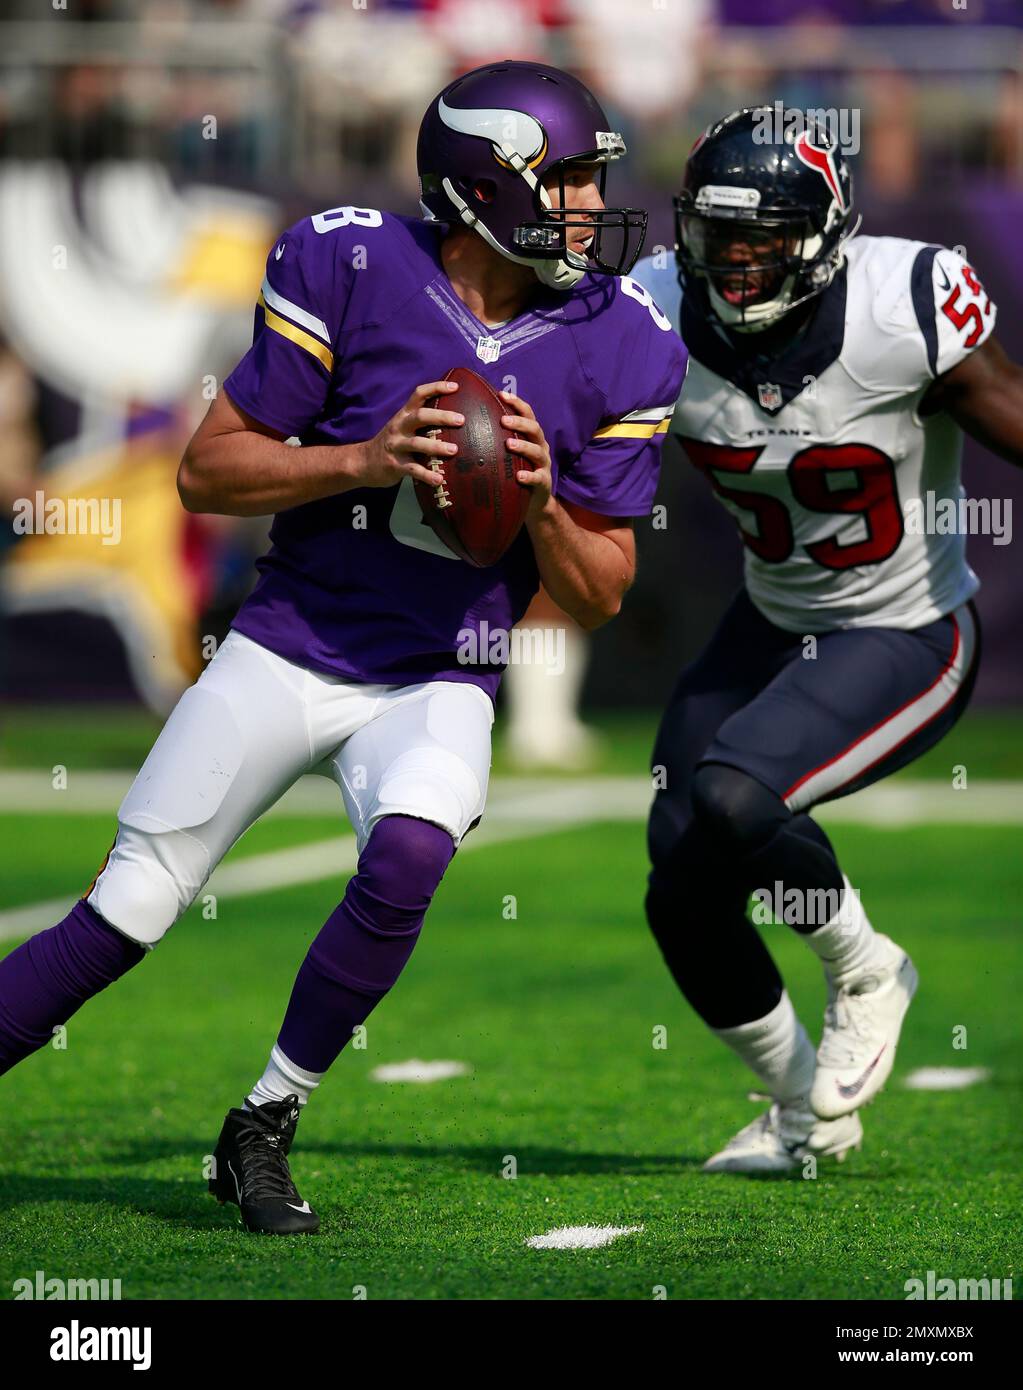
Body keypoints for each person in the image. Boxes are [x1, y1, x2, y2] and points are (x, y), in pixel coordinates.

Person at [0, 61, 684, 1231]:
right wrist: (366, 459)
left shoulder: (623, 339)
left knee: (412, 851)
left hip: (440, 666)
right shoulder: (351, 259)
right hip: (290, 640)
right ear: (484, 184)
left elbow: (605, 589)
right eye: (565, 179)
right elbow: (208, 469)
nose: (586, 205)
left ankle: (262, 1121)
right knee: (129, 911)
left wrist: (540, 502)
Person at [630, 107, 1022, 1173]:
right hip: (775, 615)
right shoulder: (655, 308)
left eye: (760, 238)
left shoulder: (903, 306)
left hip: (908, 625)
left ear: (825, 237)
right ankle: (805, 1111)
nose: (735, 262)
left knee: (735, 795)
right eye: (715, 236)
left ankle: (867, 969)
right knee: (679, 874)